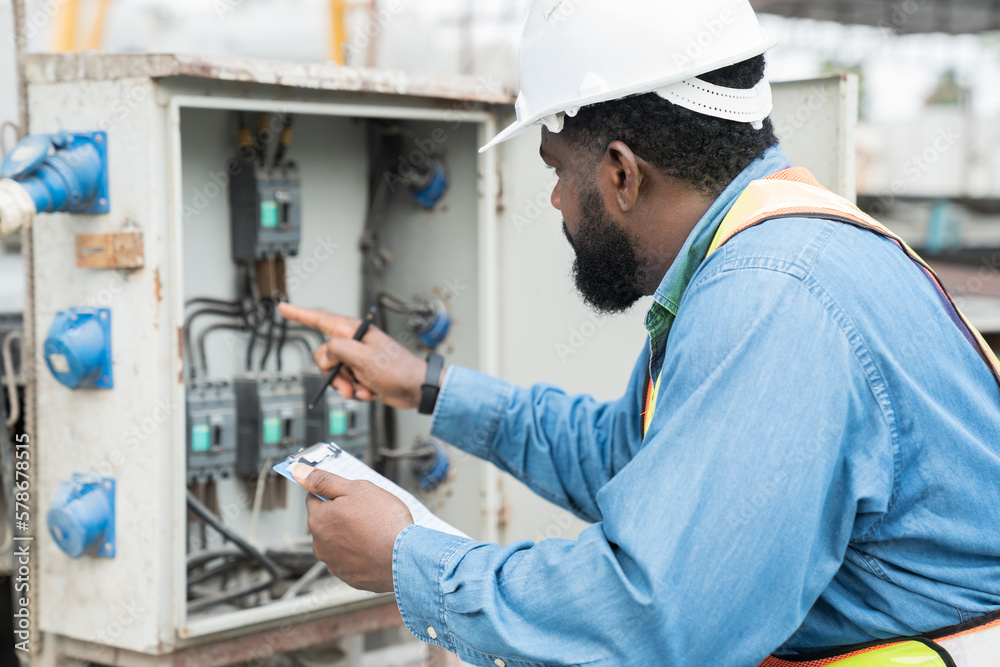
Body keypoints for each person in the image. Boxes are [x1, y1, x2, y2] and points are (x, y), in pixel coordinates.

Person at [279, 1, 1000, 664]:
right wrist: (429, 386)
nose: (557, 201)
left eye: (558, 171)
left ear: (622, 173)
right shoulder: (767, 251)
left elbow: (648, 622)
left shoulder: (773, 297)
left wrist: (409, 562)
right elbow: (631, 462)